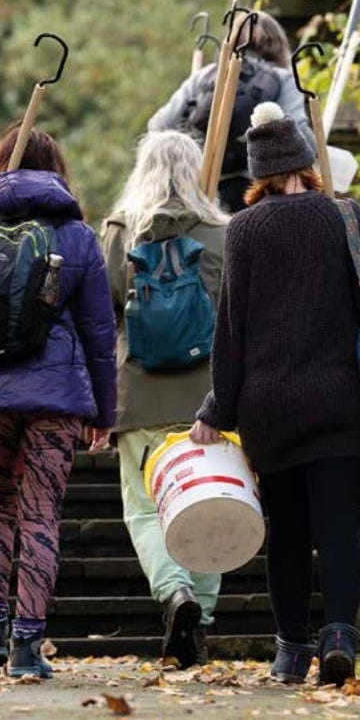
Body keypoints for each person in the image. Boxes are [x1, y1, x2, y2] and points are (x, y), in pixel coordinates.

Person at [189, 101, 360, 687]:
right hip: (343, 405)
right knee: (337, 529)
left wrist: (216, 410)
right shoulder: (347, 217)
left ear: (257, 173)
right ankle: (339, 636)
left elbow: (230, 330)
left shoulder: (245, 230)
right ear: (307, 163)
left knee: (285, 535)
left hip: (271, 410)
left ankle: (290, 651)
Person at [0, 125, 117, 679]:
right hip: (56, 402)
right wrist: (104, 413)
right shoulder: (78, 237)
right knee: (40, 516)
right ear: (57, 171)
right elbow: (101, 338)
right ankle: (27, 647)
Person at [99, 131, 229, 669]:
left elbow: (104, 308)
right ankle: (199, 615)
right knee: (212, 508)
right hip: (209, 398)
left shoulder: (118, 230)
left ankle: (173, 592)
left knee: (146, 509)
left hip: (140, 395)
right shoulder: (223, 232)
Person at [148, 11, 314, 215]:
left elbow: (159, 124)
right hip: (254, 193)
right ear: (280, 46)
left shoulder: (208, 75)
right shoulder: (283, 79)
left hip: (199, 190)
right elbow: (298, 130)